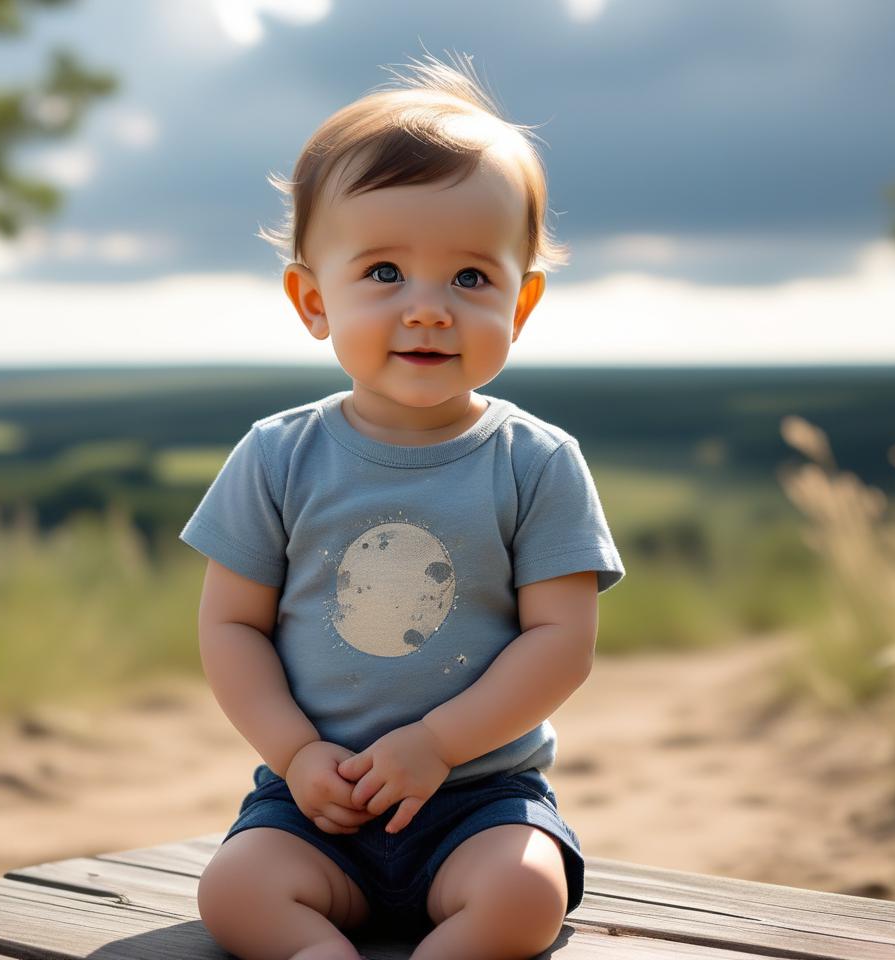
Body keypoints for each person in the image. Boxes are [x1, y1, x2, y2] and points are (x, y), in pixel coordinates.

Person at [179, 51, 626, 960]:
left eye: (471, 279)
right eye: (384, 272)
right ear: (313, 299)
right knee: (234, 890)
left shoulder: (534, 461)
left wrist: (438, 743)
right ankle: (316, 950)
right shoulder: (278, 455)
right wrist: (297, 756)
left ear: (523, 302)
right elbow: (231, 627)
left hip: (477, 796)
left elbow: (561, 643)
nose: (428, 310)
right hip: (315, 801)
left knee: (523, 894)